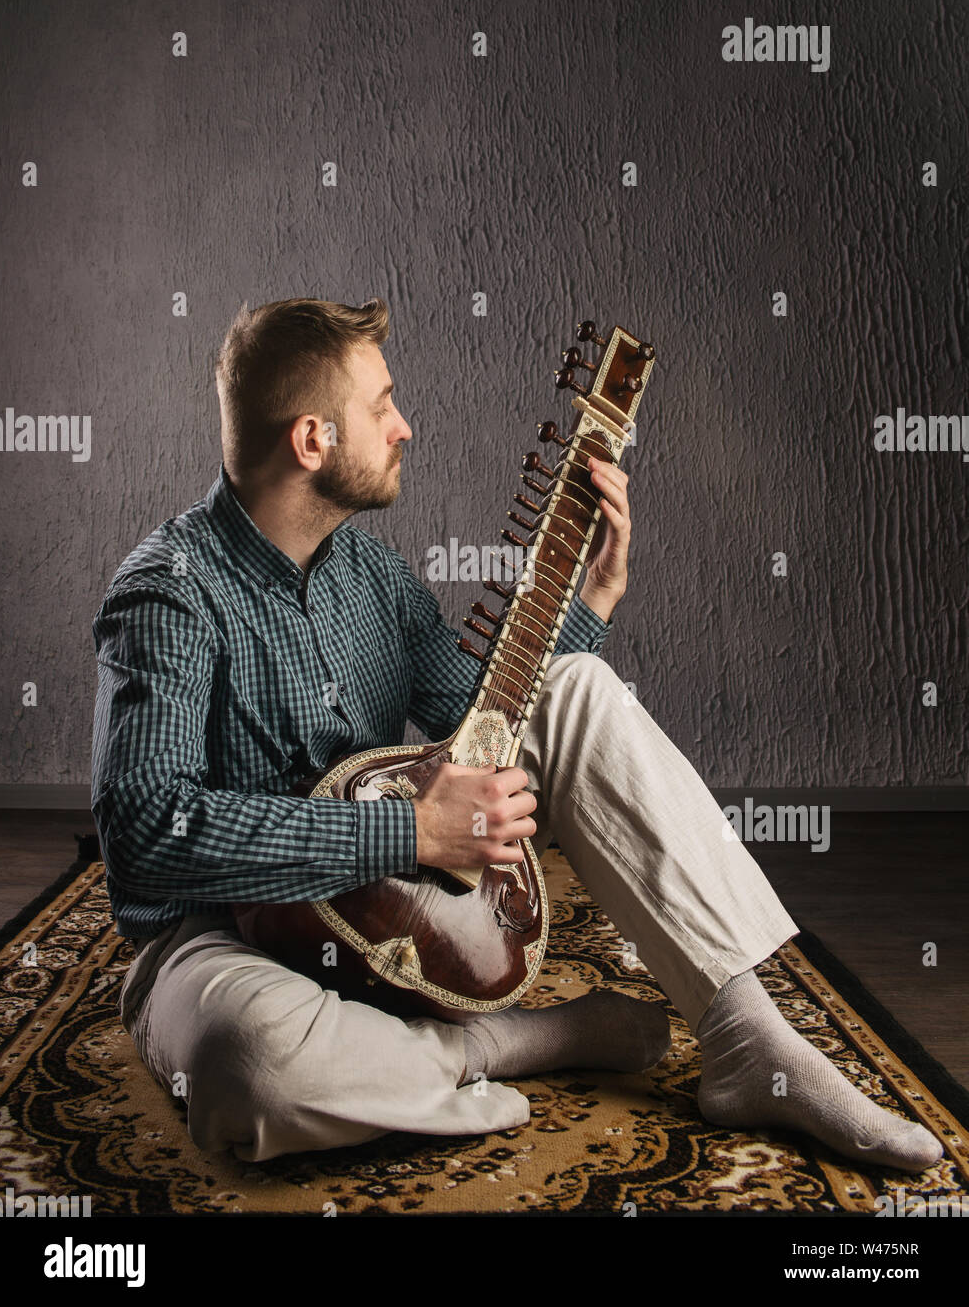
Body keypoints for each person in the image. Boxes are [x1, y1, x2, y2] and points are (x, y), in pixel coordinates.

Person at [91, 296, 943, 1172]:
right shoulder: (170, 592)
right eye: (381, 406)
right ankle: (509, 1043)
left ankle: (747, 1037)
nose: (404, 427)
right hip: (224, 939)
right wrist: (412, 830)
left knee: (572, 686)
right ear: (313, 441)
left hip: (386, 915)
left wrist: (592, 604)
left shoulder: (373, 575)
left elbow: (483, 720)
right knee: (251, 1065)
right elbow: (147, 837)